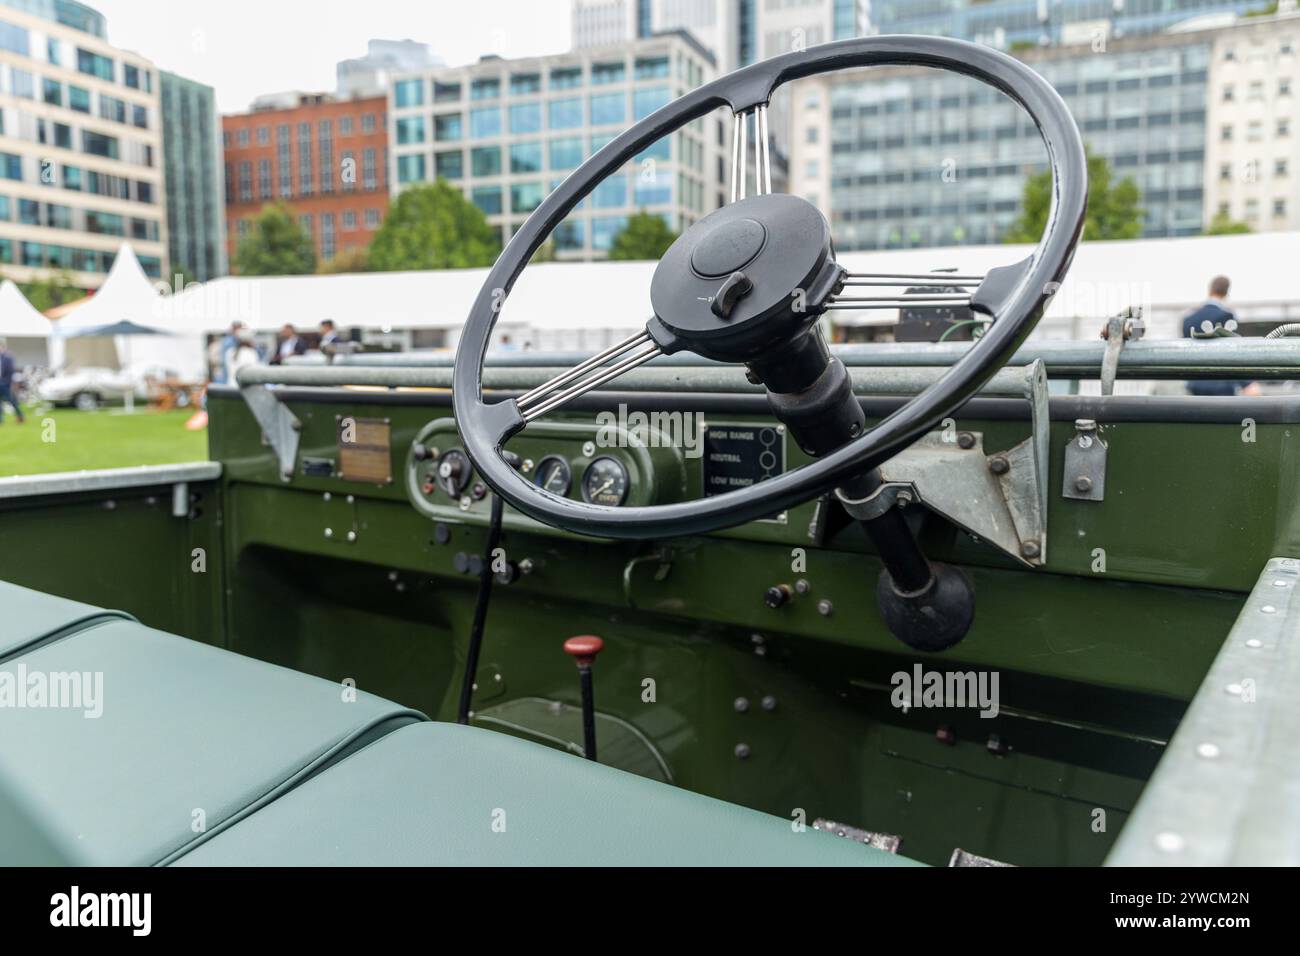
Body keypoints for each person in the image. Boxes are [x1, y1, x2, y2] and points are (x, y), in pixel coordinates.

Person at [1182, 276, 1238, 396]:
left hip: (1195, 383)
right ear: (1226, 292)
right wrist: (1246, 383)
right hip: (1222, 383)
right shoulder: (1226, 316)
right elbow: (1233, 353)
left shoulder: (1188, 319)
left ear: (1210, 290)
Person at [0, 338, 25, 425]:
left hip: (5, 383)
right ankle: (1, 420)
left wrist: (6, 382)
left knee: (12, 401)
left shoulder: (8, 358)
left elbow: (11, 371)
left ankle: (20, 416)